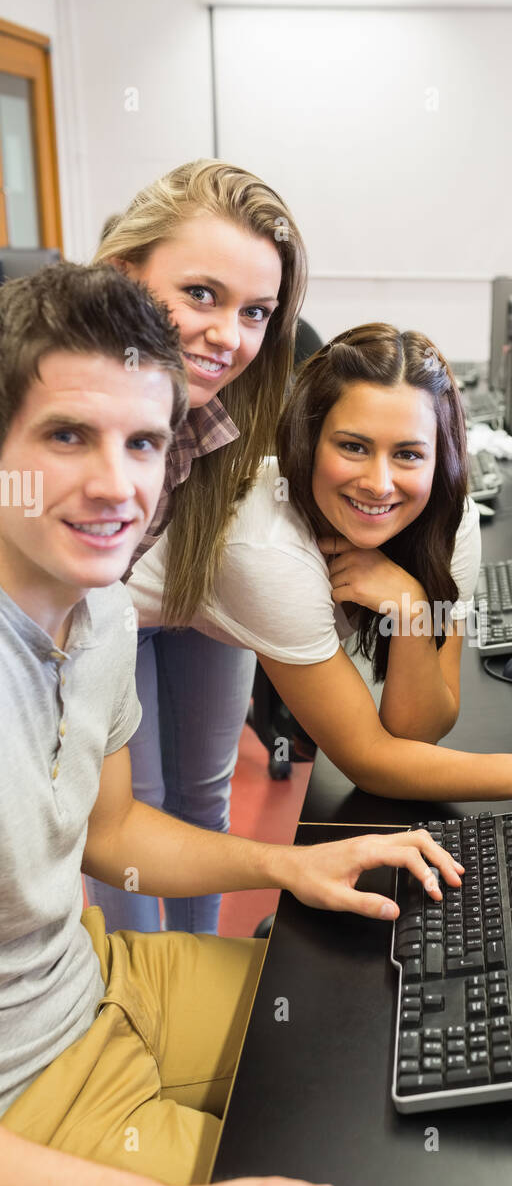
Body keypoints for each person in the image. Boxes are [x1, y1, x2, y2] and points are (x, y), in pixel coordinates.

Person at [0, 263, 460, 1186]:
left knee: (389, 1031)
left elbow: (113, 837)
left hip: (99, 981)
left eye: (142, 443)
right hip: (23, 1101)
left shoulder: (101, 608)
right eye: (68, 435)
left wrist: (285, 868)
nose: (118, 485)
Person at [130, 323, 512, 845]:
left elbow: (416, 731)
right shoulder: (268, 551)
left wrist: (414, 611)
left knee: (199, 798)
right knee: (138, 806)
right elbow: (372, 762)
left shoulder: (452, 525)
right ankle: (128, 931)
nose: (379, 484)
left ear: (439, 456)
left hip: (209, 596)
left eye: (408, 454)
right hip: (122, 593)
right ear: (308, 442)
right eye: (353, 447)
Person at [85, 158, 308, 937]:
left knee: (205, 794)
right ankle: (143, 994)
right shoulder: (61, 406)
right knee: (130, 807)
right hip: (101, 613)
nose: (229, 337)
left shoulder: (228, 405)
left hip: (185, 598)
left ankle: (196, 964)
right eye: (201, 295)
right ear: (123, 274)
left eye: (257, 312)